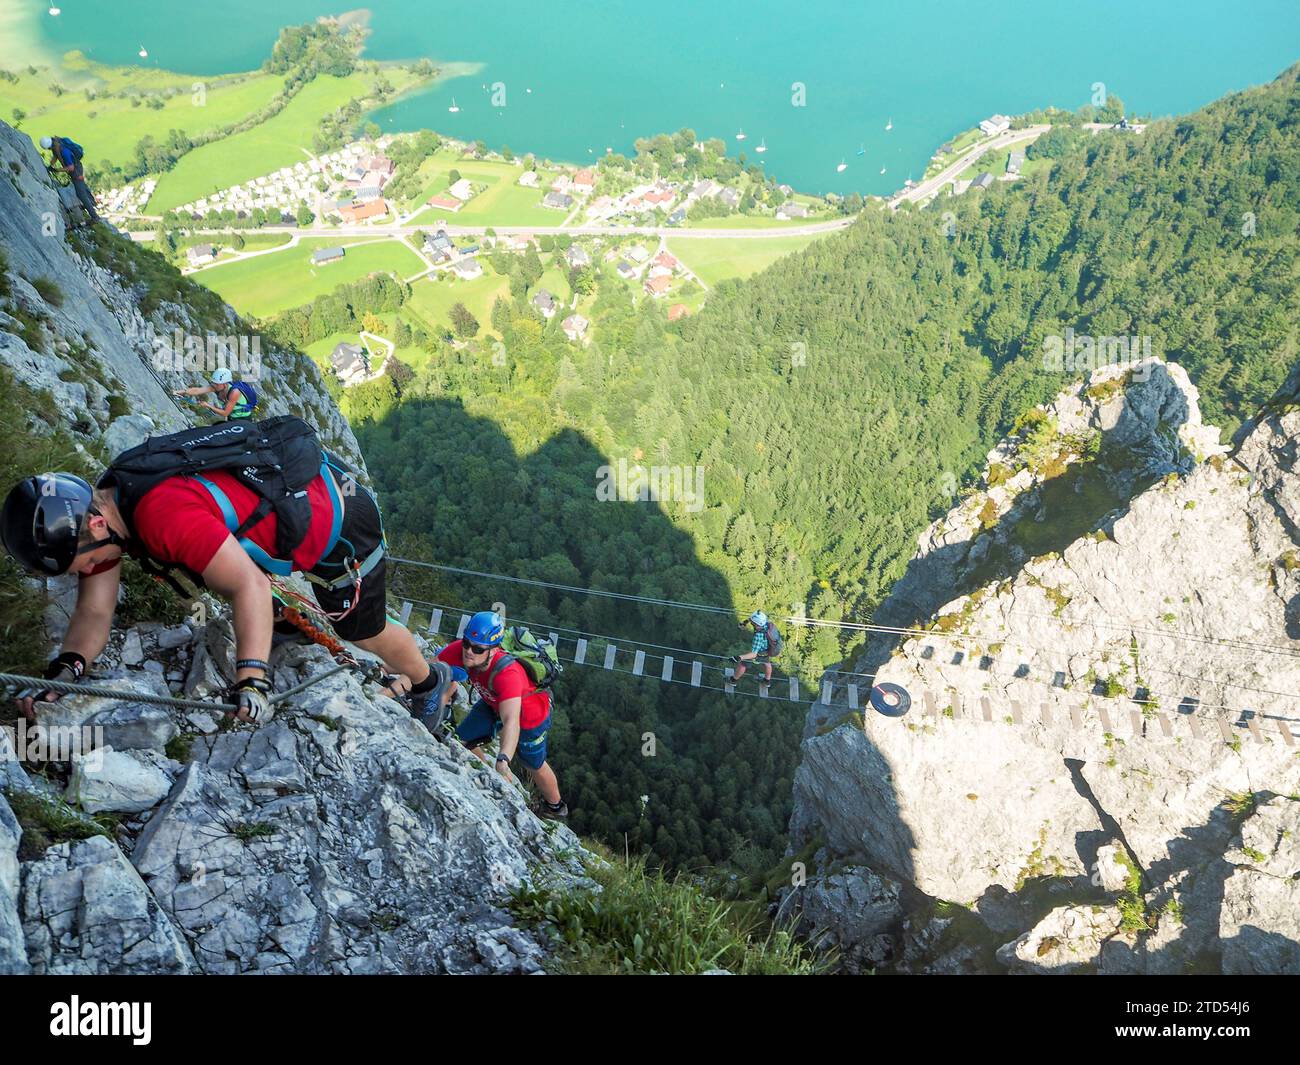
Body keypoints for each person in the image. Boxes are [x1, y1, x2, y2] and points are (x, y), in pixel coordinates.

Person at [2, 458, 450, 727]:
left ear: (93, 525)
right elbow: (95, 612)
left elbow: (247, 584)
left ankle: (430, 684)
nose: (80, 572)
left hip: (339, 519)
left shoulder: (158, 516)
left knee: (361, 630)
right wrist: (64, 673)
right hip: (288, 506)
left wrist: (252, 680)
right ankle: (276, 620)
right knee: (227, 570)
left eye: (72, 563)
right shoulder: (111, 503)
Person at [434, 610, 568, 821]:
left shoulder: (509, 674)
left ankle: (556, 807)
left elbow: (511, 721)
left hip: (529, 716)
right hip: (493, 702)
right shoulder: (462, 651)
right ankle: (484, 768)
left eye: (478, 648)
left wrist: (504, 758)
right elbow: (426, 670)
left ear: (493, 650)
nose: (469, 651)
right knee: (460, 741)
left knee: (532, 763)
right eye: (466, 643)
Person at [39, 134, 99, 223]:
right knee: (82, 187)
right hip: (76, 168)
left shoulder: (64, 151)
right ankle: (91, 202)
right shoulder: (56, 144)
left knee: (80, 194)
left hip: (76, 171)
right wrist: (49, 166)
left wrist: (57, 170)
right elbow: (55, 157)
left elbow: (71, 168)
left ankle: (95, 216)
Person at [174, 368, 258, 421]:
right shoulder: (217, 387)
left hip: (242, 419)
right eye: (214, 383)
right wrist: (181, 392)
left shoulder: (234, 393)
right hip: (232, 417)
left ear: (225, 384)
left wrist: (208, 406)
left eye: (217, 383)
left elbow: (225, 413)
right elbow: (197, 390)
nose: (214, 385)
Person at [730, 609, 777, 688]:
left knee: (743, 664)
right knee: (767, 663)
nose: (751, 622)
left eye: (753, 622)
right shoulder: (766, 624)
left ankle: (733, 680)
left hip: (760, 652)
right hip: (767, 648)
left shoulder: (758, 636)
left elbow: (753, 654)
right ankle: (767, 681)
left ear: (756, 624)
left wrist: (738, 657)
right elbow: (753, 619)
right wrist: (745, 622)